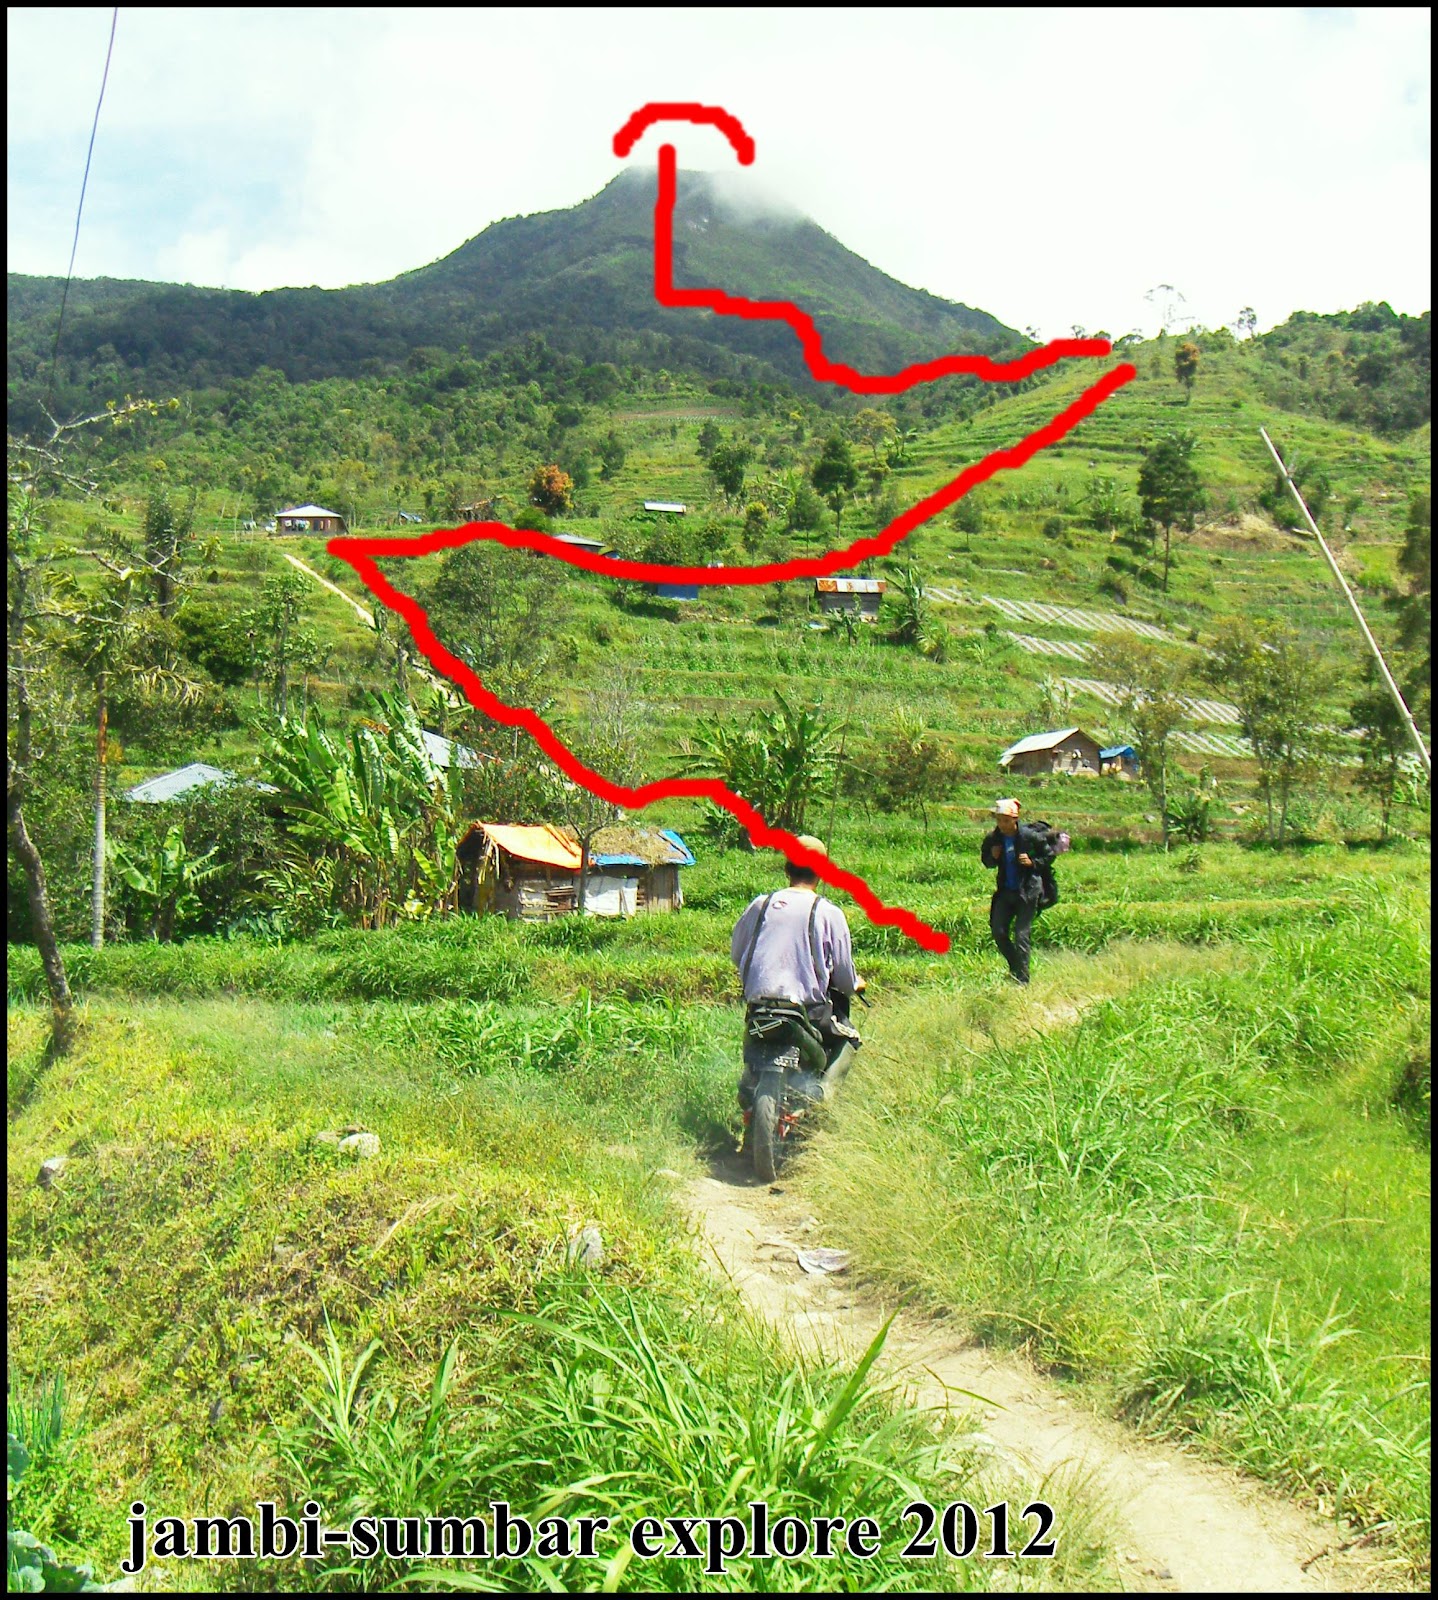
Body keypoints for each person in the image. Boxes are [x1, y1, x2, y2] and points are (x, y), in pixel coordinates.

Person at [730, 834, 864, 1103]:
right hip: (806, 1013)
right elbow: (845, 982)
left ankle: (750, 1086)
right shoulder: (829, 913)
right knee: (850, 1039)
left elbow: (737, 954)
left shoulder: (760, 905)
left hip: (758, 1007)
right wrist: (856, 984)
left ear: (787, 868)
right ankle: (821, 1093)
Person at [980, 798, 1055, 985]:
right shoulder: (993, 839)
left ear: (1015, 818)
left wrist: (1033, 863)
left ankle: (1022, 980)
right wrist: (992, 856)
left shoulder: (1030, 837)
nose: (1002, 825)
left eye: (1005, 820)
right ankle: (1016, 967)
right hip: (1006, 892)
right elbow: (986, 861)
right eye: (998, 820)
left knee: (1021, 934)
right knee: (998, 931)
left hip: (1028, 891)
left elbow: (1049, 855)